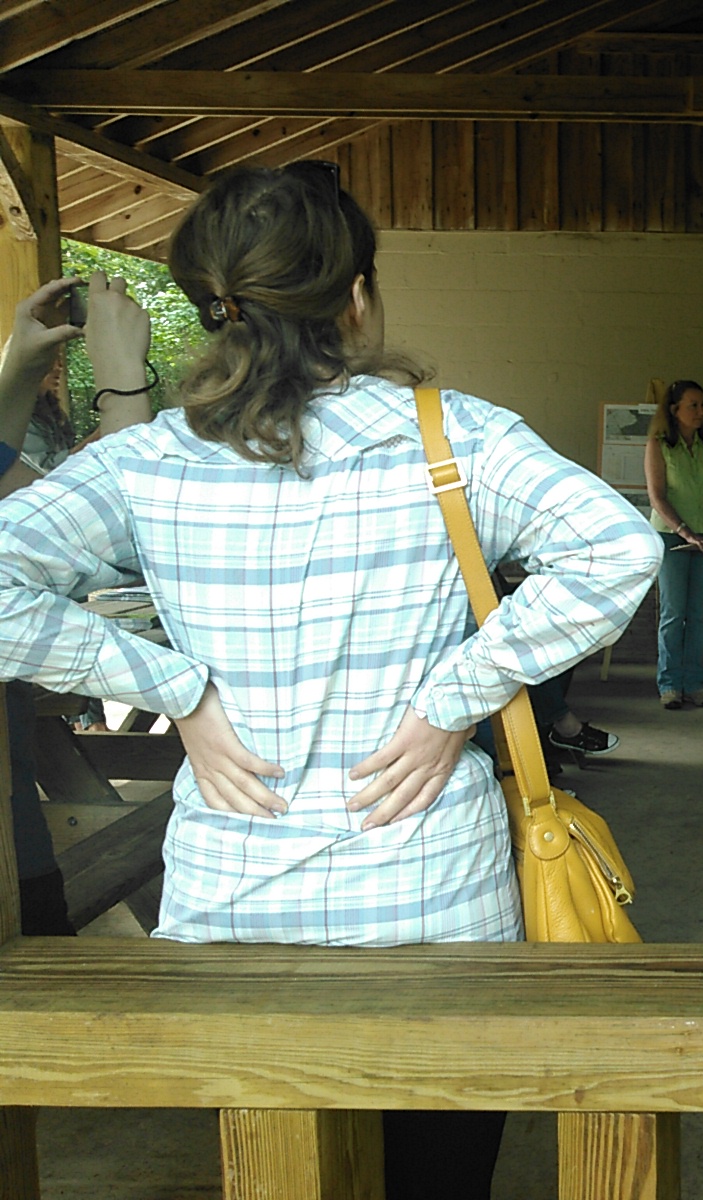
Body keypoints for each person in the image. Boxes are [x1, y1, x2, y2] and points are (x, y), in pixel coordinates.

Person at [0, 164, 661, 1198]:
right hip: (431, 897)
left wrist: (178, 689)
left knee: (276, 1173)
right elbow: (617, 551)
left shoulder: (149, 463)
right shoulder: (456, 438)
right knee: (438, 1180)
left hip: (232, 909)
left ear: (212, 308)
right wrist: (454, 699)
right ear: (356, 296)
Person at [0, 273, 155, 935]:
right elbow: (105, 521)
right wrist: (123, 383)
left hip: (22, 850)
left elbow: (12, 483)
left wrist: (21, 366)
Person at [644, 378, 703, 709]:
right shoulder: (658, 445)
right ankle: (669, 684)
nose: (700, 411)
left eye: (701, 405)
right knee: (673, 611)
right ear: (674, 409)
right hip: (671, 538)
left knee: (698, 614)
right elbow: (657, 496)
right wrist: (683, 531)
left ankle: (694, 682)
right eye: (692, 405)